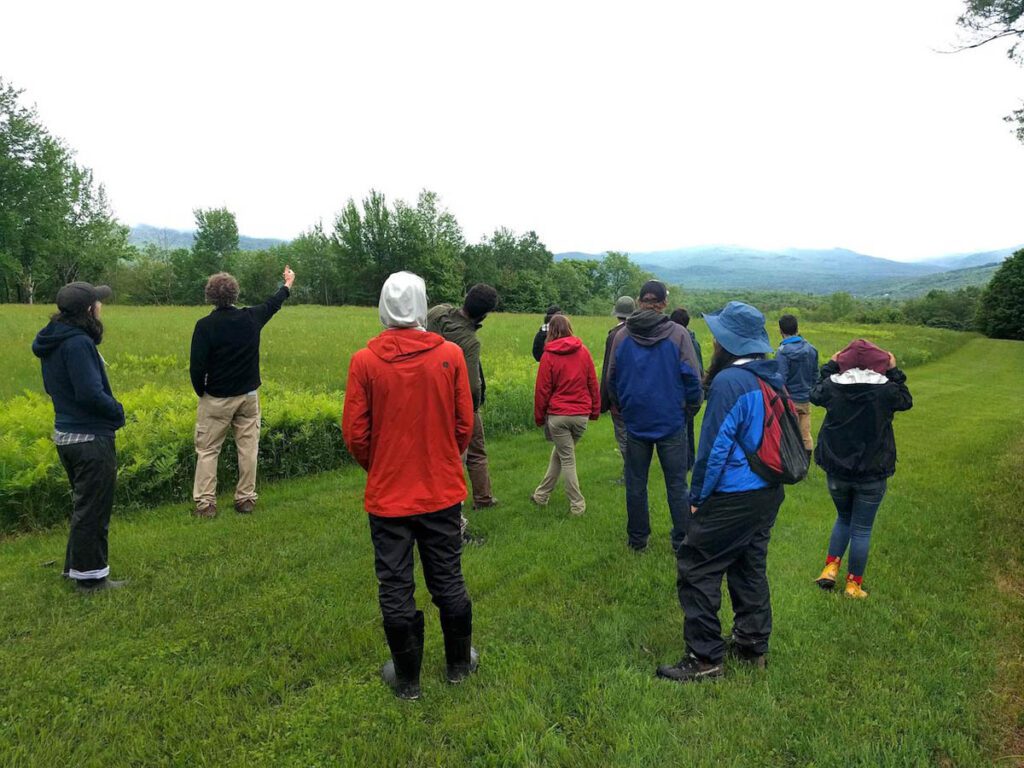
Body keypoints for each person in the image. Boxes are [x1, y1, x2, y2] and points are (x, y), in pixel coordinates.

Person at [343, 271, 478, 700]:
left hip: (389, 496)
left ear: (383, 307)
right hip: (441, 490)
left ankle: (408, 682)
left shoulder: (364, 362)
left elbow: (355, 434)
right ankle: (458, 666)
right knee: (448, 577)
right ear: (421, 306)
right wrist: (445, 458)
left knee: (395, 584)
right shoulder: (450, 355)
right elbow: (464, 423)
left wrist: (382, 465)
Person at [658, 301, 785, 682]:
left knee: (697, 566)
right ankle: (751, 645)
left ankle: (704, 657)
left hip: (733, 494)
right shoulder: (770, 376)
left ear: (728, 342)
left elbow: (714, 450)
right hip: (767, 491)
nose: (713, 341)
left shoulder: (730, 382)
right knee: (748, 566)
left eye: (717, 335)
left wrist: (697, 499)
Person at [32, 281, 127, 592]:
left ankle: (74, 569)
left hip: (67, 434)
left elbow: (53, 387)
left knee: (85, 506)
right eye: (98, 302)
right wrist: (117, 411)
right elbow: (89, 393)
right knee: (93, 511)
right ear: (89, 309)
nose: (101, 306)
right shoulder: (78, 343)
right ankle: (91, 579)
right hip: (89, 438)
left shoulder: (55, 338)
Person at [188, 266, 294, 517]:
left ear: (210, 296)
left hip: (216, 397)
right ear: (235, 294)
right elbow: (273, 303)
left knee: (208, 450)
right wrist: (288, 284)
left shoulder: (205, 326)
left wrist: (202, 391)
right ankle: (245, 498)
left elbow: (196, 366)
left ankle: (206, 504)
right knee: (248, 449)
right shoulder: (251, 317)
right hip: (248, 396)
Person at [811, 339, 913, 599]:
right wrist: (894, 371)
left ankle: (830, 569)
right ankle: (853, 585)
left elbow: (815, 393)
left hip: (837, 468)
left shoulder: (832, 387)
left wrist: (830, 366)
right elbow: (906, 400)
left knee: (843, 518)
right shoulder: (887, 390)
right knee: (861, 528)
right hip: (872, 469)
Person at [606, 280, 703, 552]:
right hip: (671, 420)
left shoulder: (622, 336)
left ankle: (638, 540)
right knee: (677, 484)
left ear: (640, 302)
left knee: (636, 483)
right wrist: (688, 410)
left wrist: (625, 408)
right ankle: (681, 540)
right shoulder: (678, 334)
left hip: (636, 421)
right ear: (663, 303)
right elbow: (692, 379)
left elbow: (612, 379)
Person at [427, 284, 500, 512]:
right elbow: (472, 386)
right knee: (475, 452)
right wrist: (473, 408)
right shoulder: (469, 341)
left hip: (427, 397)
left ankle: (433, 496)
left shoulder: (437, 313)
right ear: (484, 315)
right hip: (458, 404)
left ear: (466, 297)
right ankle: (482, 498)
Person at [531, 315, 601, 515]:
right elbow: (592, 382)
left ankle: (577, 505)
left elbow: (542, 390)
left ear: (551, 331)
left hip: (558, 415)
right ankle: (541, 495)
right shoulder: (583, 351)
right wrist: (595, 410)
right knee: (561, 454)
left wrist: (539, 417)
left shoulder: (548, 355)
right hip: (581, 415)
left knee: (566, 458)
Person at [599, 296, 635, 483]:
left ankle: (630, 475)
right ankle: (635, 472)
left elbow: (609, 369)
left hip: (620, 396)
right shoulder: (642, 332)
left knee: (623, 437)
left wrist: (605, 398)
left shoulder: (614, 335)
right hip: (638, 394)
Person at [775, 314, 819, 459]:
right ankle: (805, 463)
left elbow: (781, 379)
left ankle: (789, 463)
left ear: (781, 331)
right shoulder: (811, 349)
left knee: (787, 434)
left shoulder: (782, 352)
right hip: (805, 399)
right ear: (797, 329)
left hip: (788, 400)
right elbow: (815, 375)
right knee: (805, 435)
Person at [669, 307, 705, 472]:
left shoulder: (682, 341)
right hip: (690, 389)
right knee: (687, 427)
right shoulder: (693, 340)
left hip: (683, 390)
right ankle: (689, 460)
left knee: (684, 428)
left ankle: (686, 461)